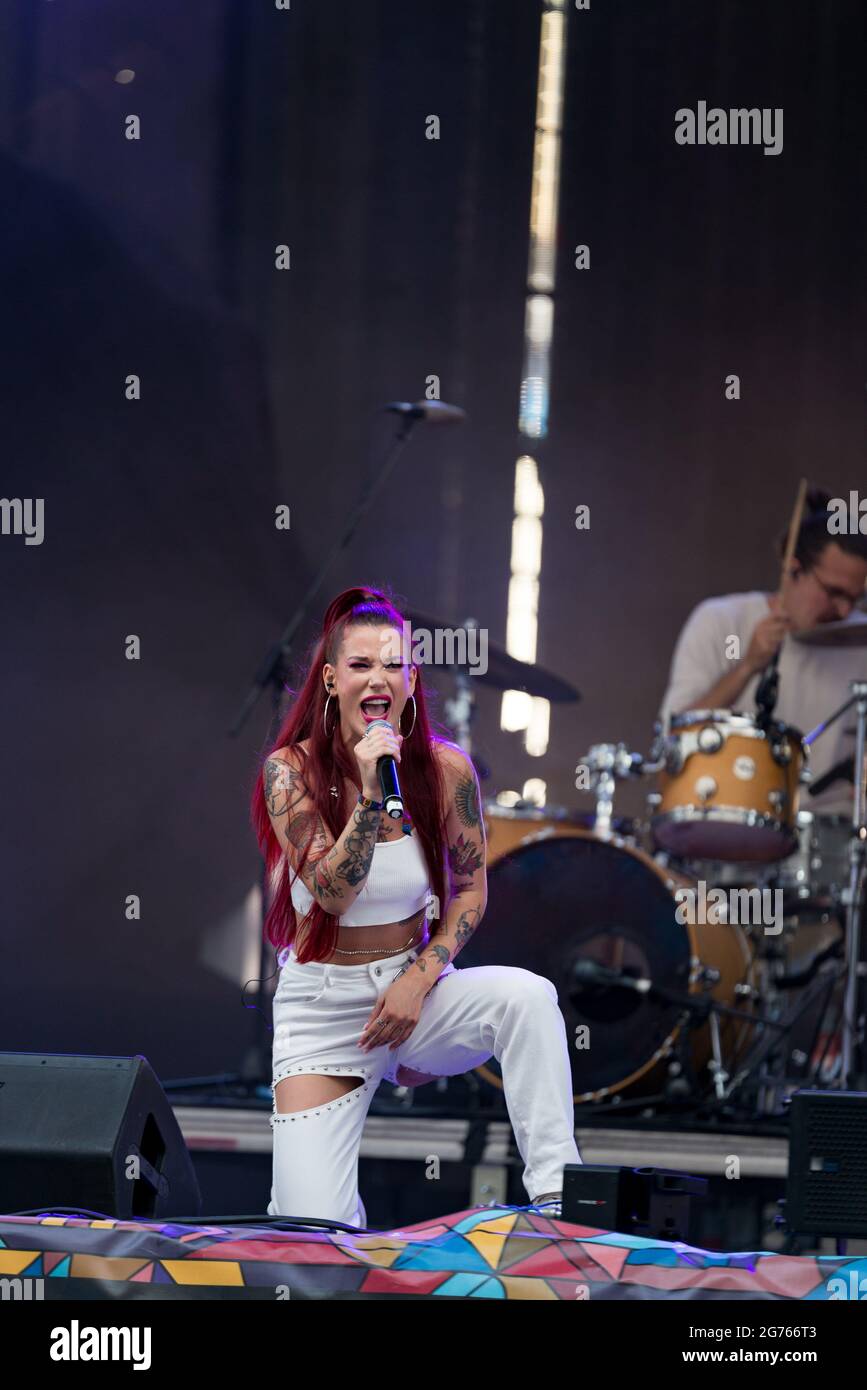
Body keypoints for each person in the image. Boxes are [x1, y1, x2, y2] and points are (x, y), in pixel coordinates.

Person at [250, 585, 582, 1226]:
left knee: (528, 998)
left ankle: (560, 1203)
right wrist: (372, 798)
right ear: (328, 679)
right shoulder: (289, 773)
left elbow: (470, 890)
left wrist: (418, 978)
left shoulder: (445, 770)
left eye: (393, 665)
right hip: (325, 1012)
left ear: (411, 678)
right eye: (359, 665)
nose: (378, 678)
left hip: (415, 991)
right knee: (312, 1232)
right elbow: (331, 892)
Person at [659, 489, 867, 817]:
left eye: (854, 598)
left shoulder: (861, 642)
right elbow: (672, 742)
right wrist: (747, 668)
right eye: (833, 592)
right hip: (721, 821)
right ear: (792, 568)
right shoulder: (720, 620)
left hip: (825, 841)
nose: (843, 610)